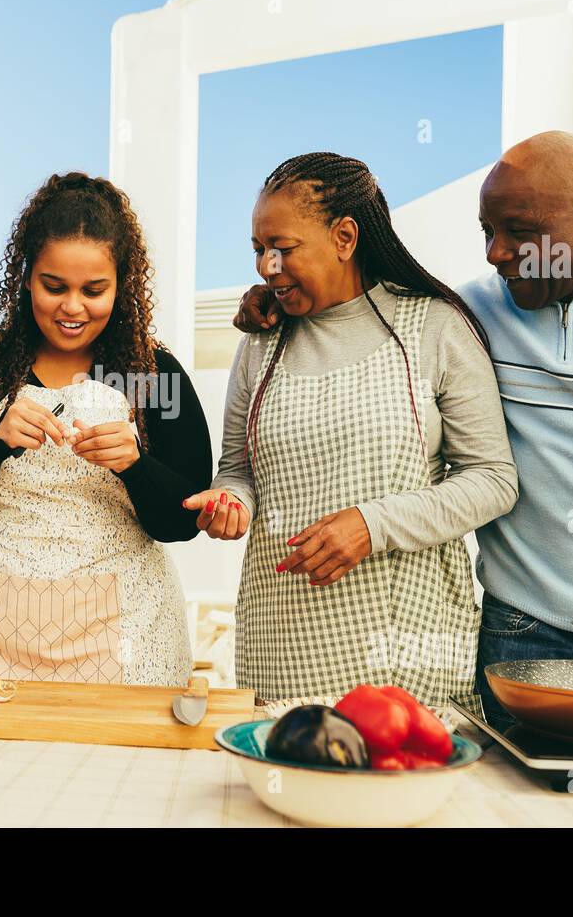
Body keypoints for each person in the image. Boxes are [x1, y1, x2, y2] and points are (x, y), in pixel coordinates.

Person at [235, 133, 573, 723]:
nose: (495, 253)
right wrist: (279, 290)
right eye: (486, 231)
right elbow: (364, 315)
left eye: (518, 231)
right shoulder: (472, 314)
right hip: (519, 643)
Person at [195, 153, 518, 710]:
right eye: (257, 249)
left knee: (403, 782)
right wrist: (231, 502)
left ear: (344, 236)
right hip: (281, 642)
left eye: (283, 247)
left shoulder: (434, 327)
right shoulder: (259, 343)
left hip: (407, 645)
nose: (266, 266)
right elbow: (238, 470)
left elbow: (493, 480)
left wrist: (372, 524)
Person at [0, 172, 212, 686]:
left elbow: (184, 519)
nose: (72, 308)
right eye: (54, 287)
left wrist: (136, 465)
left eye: (94, 290)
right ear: (26, 277)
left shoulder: (154, 375)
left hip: (125, 632)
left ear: (122, 285)